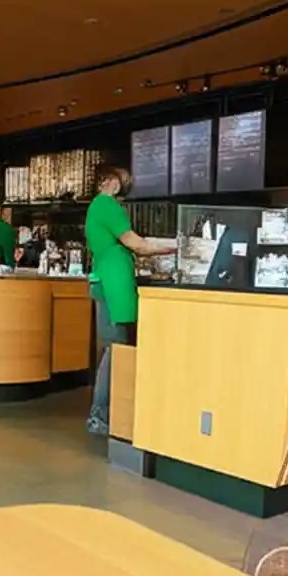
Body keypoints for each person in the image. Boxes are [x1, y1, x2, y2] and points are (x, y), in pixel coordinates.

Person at [85, 165, 175, 435]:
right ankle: (101, 417)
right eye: (123, 180)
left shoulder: (97, 207)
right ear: (110, 181)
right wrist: (180, 245)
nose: (125, 185)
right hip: (115, 285)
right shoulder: (107, 206)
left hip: (109, 282)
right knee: (117, 351)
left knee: (115, 351)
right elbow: (138, 244)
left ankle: (107, 415)